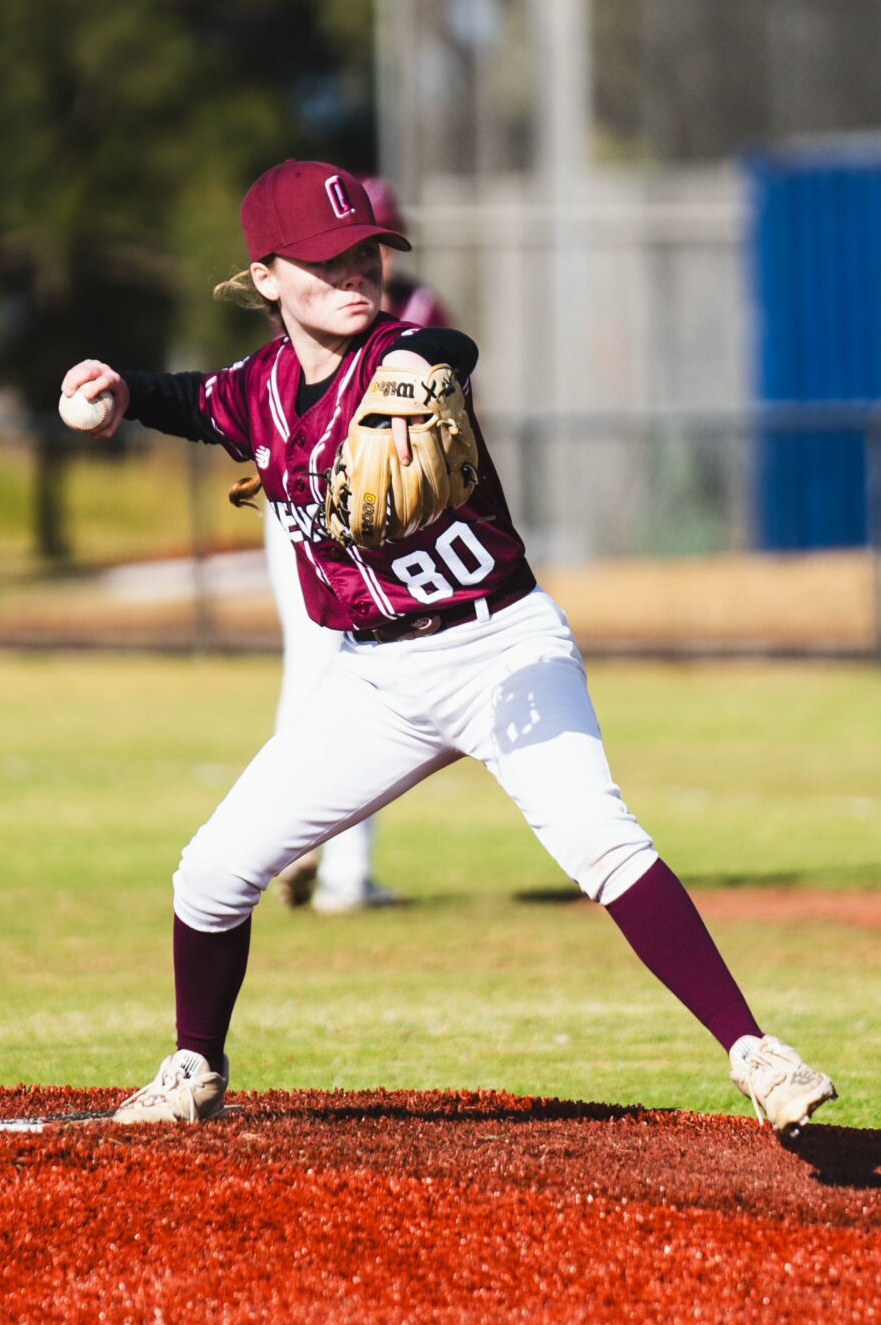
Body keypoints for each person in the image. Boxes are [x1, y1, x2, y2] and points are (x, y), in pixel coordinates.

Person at [58, 159, 837, 1133]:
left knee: (599, 840)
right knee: (211, 873)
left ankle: (756, 1054)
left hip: (502, 648)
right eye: (325, 260)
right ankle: (193, 1068)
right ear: (265, 277)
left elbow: (444, 349)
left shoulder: (403, 355)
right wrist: (122, 392)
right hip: (378, 679)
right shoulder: (261, 389)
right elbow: (198, 398)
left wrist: (416, 371)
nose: (353, 273)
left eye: (365, 253)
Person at [263, 175, 445, 913]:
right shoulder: (360, 309)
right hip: (317, 509)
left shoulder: (405, 316)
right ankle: (331, 865)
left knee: (332, 671)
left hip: (378, 510)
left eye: (375, 244)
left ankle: (306, 848)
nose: (367, 261)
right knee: (350, 671)